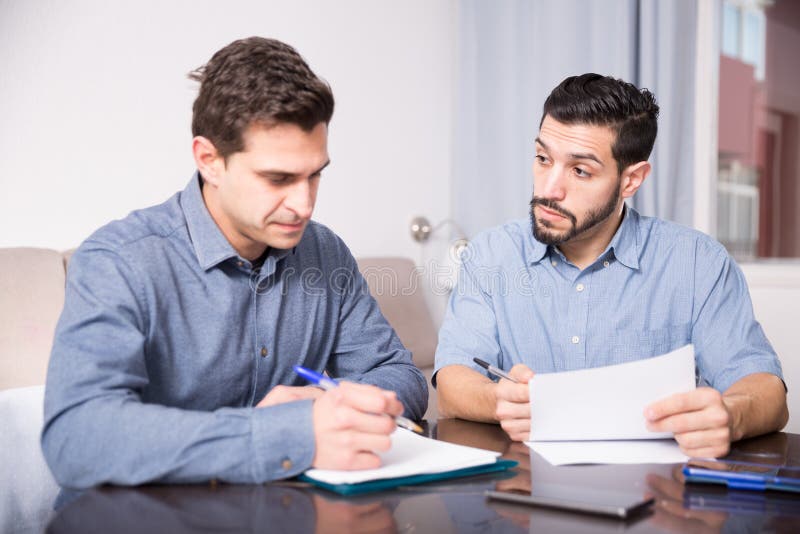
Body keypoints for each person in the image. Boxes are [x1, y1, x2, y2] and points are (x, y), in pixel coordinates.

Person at [41, 37, 428, 488]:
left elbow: (403, 376)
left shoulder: (325, 254)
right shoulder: (119, 263)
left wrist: (326, 403)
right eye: (278, 178)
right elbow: (77, 437)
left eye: (315, 174)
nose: (303, 205)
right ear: (210, 160)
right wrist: (287, 433)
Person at [434, 73, 787, 458]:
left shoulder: (697, 263)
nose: (548, 189)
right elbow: (454, 381)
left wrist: (731, 414)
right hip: (523, 491)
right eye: (542, 158)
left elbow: (766, 390)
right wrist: (497, 399)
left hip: (656, 496)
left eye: (580, 170)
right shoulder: (491, 254)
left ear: (631, 179)